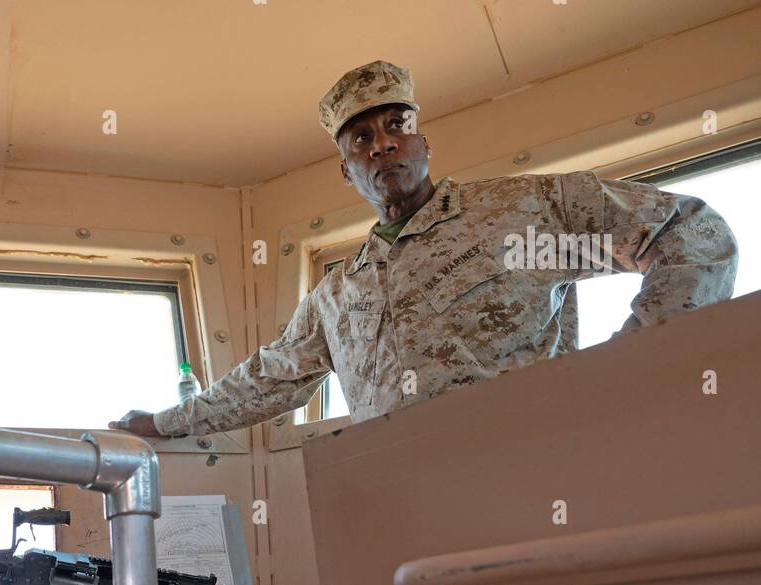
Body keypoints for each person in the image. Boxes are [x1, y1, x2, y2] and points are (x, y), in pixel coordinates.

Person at [111, 60, 737, 438]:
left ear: (424, 142)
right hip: (397, 498)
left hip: (535, 478)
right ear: (347, 171)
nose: (383, 144)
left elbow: (692, 235)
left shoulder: (525, 211)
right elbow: (269, 379)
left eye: (396, 126)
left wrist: (629, 370)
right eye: (361, 138)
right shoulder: (337, 294)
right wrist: (164, 423)